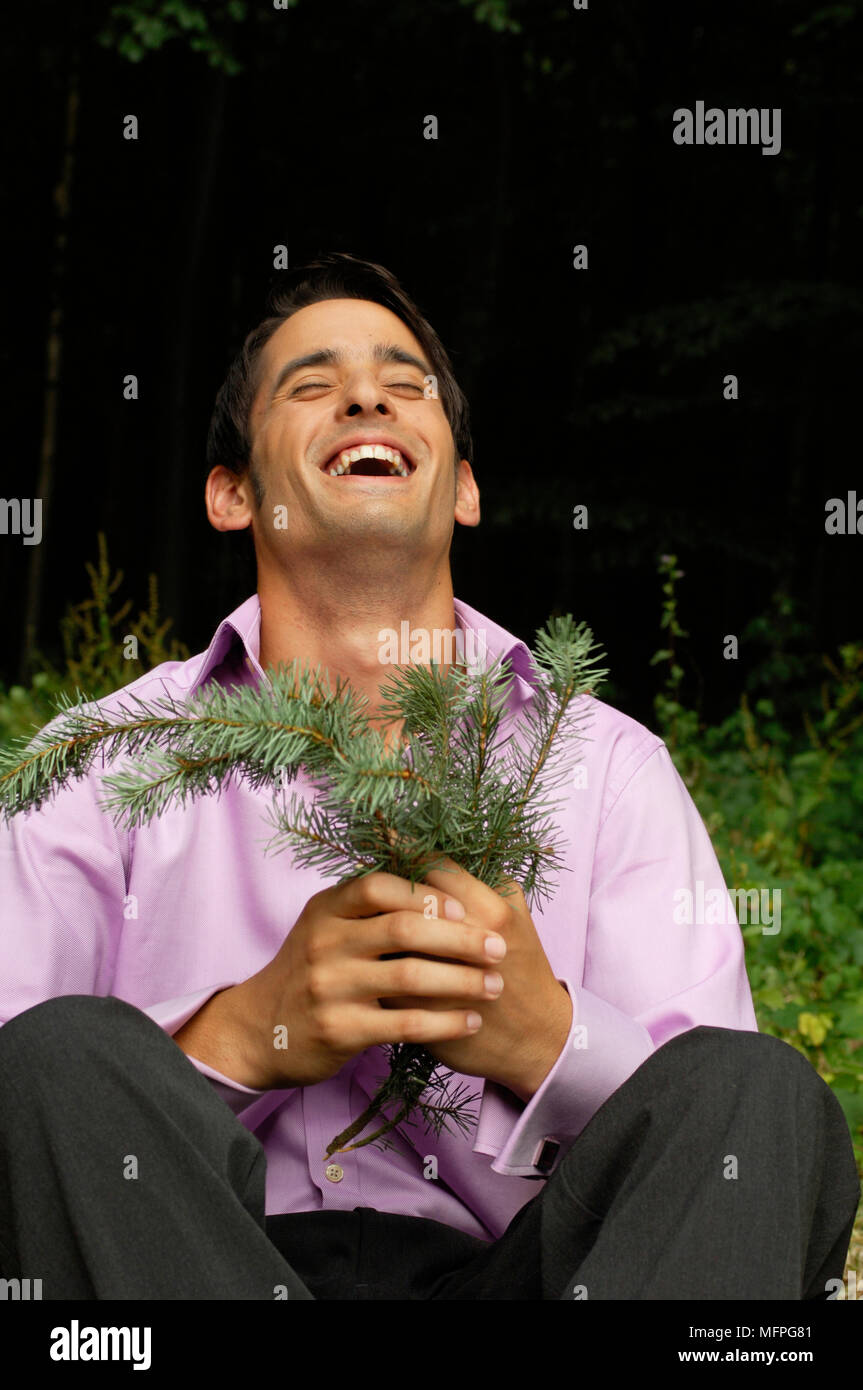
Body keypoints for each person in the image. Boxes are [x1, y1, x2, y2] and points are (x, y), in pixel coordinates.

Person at [0, 253, 858, 1301]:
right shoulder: (101, 765)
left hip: (528, 1285)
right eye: (312, 384)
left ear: (463, 488)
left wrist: (547, 1041)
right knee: (49, 1056)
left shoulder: (606, 770)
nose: (367, 397)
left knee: (754, 1091)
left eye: (404, 384)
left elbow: (716, 1156)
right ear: (232, 494)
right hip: (191, 1270)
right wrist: (243, 1035)